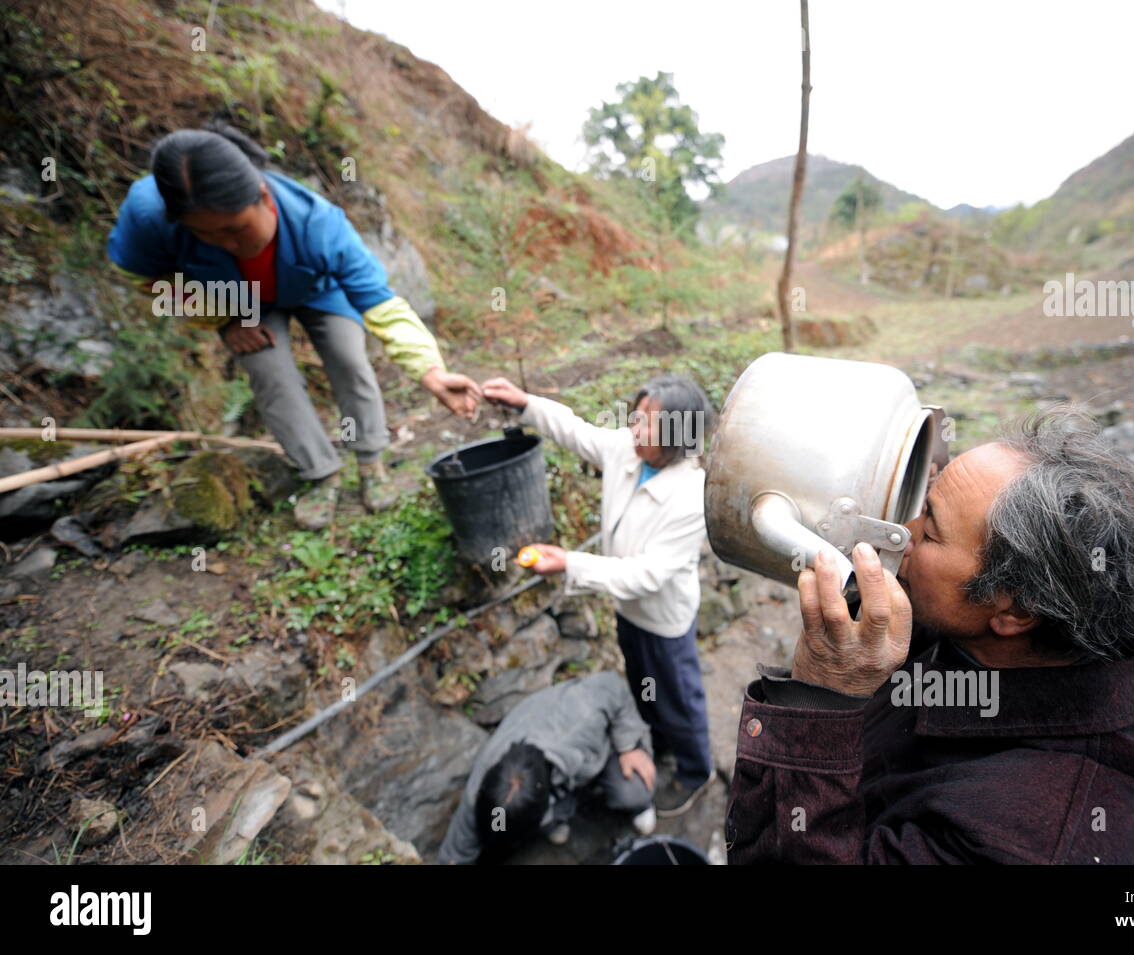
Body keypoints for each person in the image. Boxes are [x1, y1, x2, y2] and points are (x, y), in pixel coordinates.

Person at [726, 407, 1134, 864]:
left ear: (1014, 609)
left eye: (929, 534)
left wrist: (821, 703)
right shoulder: (997, 639)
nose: (903, 534)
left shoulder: (1034, 839)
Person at [106, 121, 482, 529]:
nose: (228, 243)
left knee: (348, 357)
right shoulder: (148, 215)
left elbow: (381, 303)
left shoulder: (319, 225)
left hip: (317, 288)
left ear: (264, 196)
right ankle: (321, 473)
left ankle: (371, 460)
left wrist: (431, 372)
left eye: (235, 228)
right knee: (269, 373)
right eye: (205, 235)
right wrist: (224, 318)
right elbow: (140, 277)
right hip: (240, 301)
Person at [481, 373, 717, 817]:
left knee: (679, 698)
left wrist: (570, 563)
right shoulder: (625, 451)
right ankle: (657, 742)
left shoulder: (690, 497)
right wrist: (524, 403)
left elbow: (647, 576)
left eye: (649, 424)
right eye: (636, 417)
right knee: (642, 687)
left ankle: (694, 771)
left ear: (677, 435)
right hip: (628, 612)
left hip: (664, 621)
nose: (635, 430)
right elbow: (575, 430)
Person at [436, 671, 657, 864]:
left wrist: (629, 746)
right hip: (556, 774)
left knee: (633, 791)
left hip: (599, 748)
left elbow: (613, 685)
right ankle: (559, 818)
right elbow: (455, 854)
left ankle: (638, 805)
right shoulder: (485, 789)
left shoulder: (581, 715)